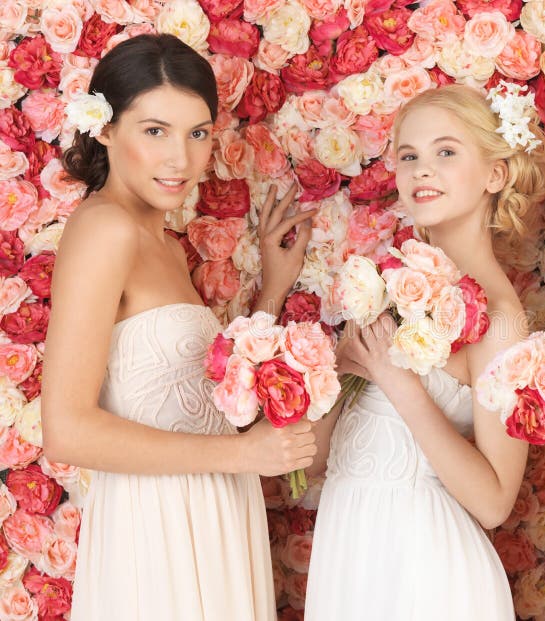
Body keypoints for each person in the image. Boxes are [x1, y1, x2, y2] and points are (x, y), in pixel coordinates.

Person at [41, 34, 316, 621]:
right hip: (157, 524)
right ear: (106, 129)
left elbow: (193, 397)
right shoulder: (105, 230)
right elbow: (66, 430)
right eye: (154, 130)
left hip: (211, 511)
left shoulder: (161, 242)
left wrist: (272, 290)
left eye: (197, 133)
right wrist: (241, 457)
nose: (181, 160)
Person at [303, 83, 545, 620]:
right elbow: (320, 460)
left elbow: (493, 503)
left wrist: (399, 384)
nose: (423, 170)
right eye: (409, 156)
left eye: (446, 152)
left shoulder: (500, 316)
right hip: (350, 554)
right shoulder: (388, 284)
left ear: (495, 173)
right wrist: (339, 370)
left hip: (424, 571)